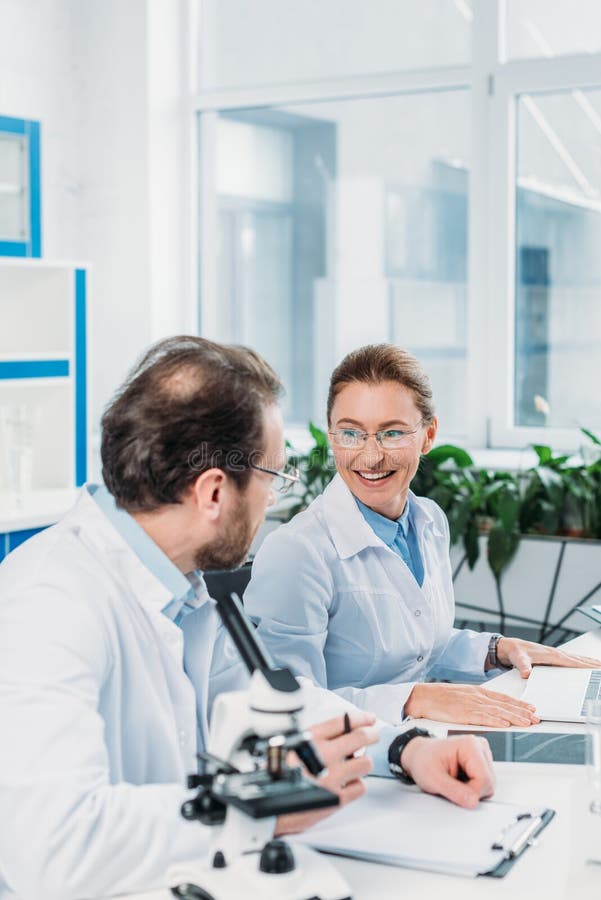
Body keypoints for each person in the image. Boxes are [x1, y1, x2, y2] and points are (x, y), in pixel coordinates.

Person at [0, 336, 495, 900]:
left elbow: (276, 708)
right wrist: (256, 806)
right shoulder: (49, 600)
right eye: (273, 479)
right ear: (214, 492)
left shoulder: (184, 593)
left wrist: (405, 748)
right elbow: (54, 845)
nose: (272, 503)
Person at [245, 343, 601, 726]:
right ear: (332, 436)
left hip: (421, 739)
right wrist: (413, 698)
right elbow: (288, 705)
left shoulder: (429, 521)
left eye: (392, 433)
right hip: (356, 753)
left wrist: (496, 650)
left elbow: (416, 645)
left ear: (428, 435)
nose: (371, 456)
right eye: (351, 433)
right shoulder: (297, 551)